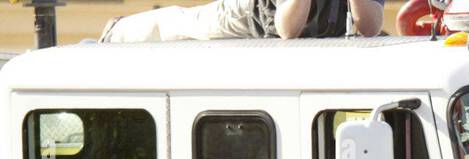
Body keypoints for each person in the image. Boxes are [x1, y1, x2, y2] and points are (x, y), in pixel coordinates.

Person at [102, 0, 383, 42]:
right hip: (251, 16)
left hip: (308, 33)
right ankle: (119, 31)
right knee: (187, 26)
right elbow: (288, 29)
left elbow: (369, 27)